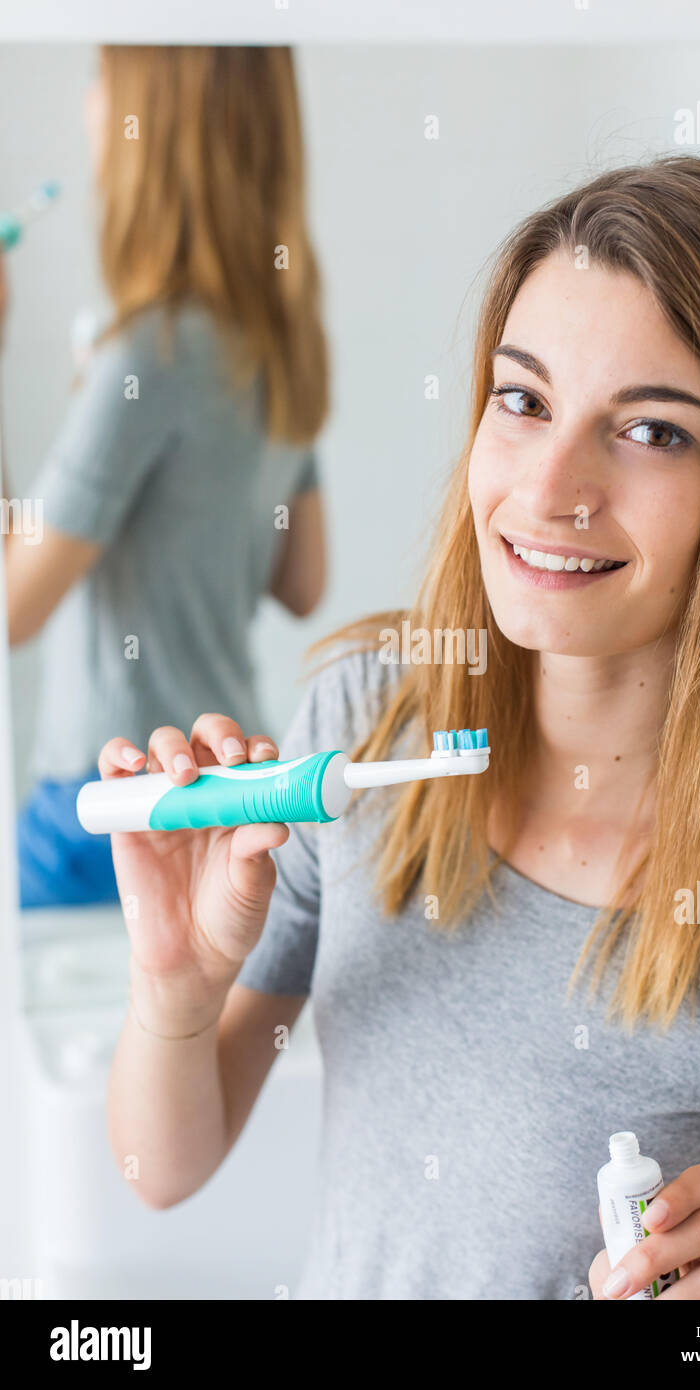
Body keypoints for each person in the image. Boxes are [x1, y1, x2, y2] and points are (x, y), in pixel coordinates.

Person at [100, 156, 700, 1299]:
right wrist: (174, 985)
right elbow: (159, 1171)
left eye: (651, 431)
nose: (549, 483)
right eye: (523, 399)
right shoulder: (362, 720)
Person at [2, 45, 328, 907]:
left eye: (102, 77)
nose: (88, 105)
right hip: (231, 787)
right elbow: (303, 582)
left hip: (112, 801)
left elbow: (9, 606)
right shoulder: (283, 343)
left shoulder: (150, 352)